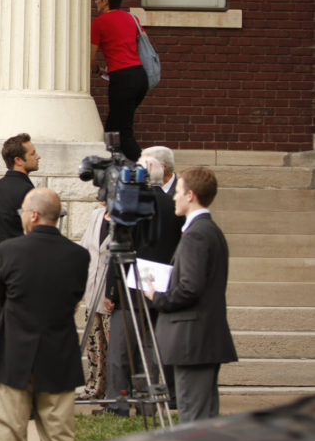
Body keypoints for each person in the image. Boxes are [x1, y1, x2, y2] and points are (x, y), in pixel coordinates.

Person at [0, 188, 89, 441]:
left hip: (14, 352)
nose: (21, 216)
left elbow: (2, 297)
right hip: (59, 353)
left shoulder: (9, 250)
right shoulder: (79, 255)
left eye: (23, 212)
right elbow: (74, 300)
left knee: (9, 432)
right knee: (59, 435)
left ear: (34, 215)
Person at [144, 167, 237, 424]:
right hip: (199, 339)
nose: (174, 196)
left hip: (192, 340)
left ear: (190, 195)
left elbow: (190, 288)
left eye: (178, 192)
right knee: (203, 420)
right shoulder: (207, 230)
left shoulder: (197, 234)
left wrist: (157, 297)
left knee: (193, 418)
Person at [103, 152, 182, 413]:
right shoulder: (174, 205)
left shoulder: (134, 204)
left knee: (119, 351)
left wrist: (111, 290)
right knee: (150, 350)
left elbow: (120, 249)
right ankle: (149, 404)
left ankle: (118, 403)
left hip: (130, 285)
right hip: (159, 284)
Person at [0, 133, 39, 413]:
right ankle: (18, 402)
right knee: (23, 340)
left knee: (4, 335)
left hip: (2, 270)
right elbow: (32, 234)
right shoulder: (27, 193)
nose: (38, 156)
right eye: (33, 153)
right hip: (25, 273)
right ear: (18, 160)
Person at [90, 0, 149, 161]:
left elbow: (90, 57)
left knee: (122, 132)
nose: (96, 2)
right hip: (140, 77)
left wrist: (97, 70)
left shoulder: (99, 23)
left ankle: (147, 171)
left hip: (122, 79)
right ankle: (119, 168)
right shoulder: (132, 18)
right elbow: (143, 44)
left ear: (106, 1)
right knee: (113, 129)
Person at [79, 205, 112, 400]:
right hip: (92, 290)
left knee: (113, 345)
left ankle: (116, 389)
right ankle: (95, 387)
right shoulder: (96, 215)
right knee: (95, 345)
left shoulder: (127, 218)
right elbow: (85, 248)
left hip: (111, 294)